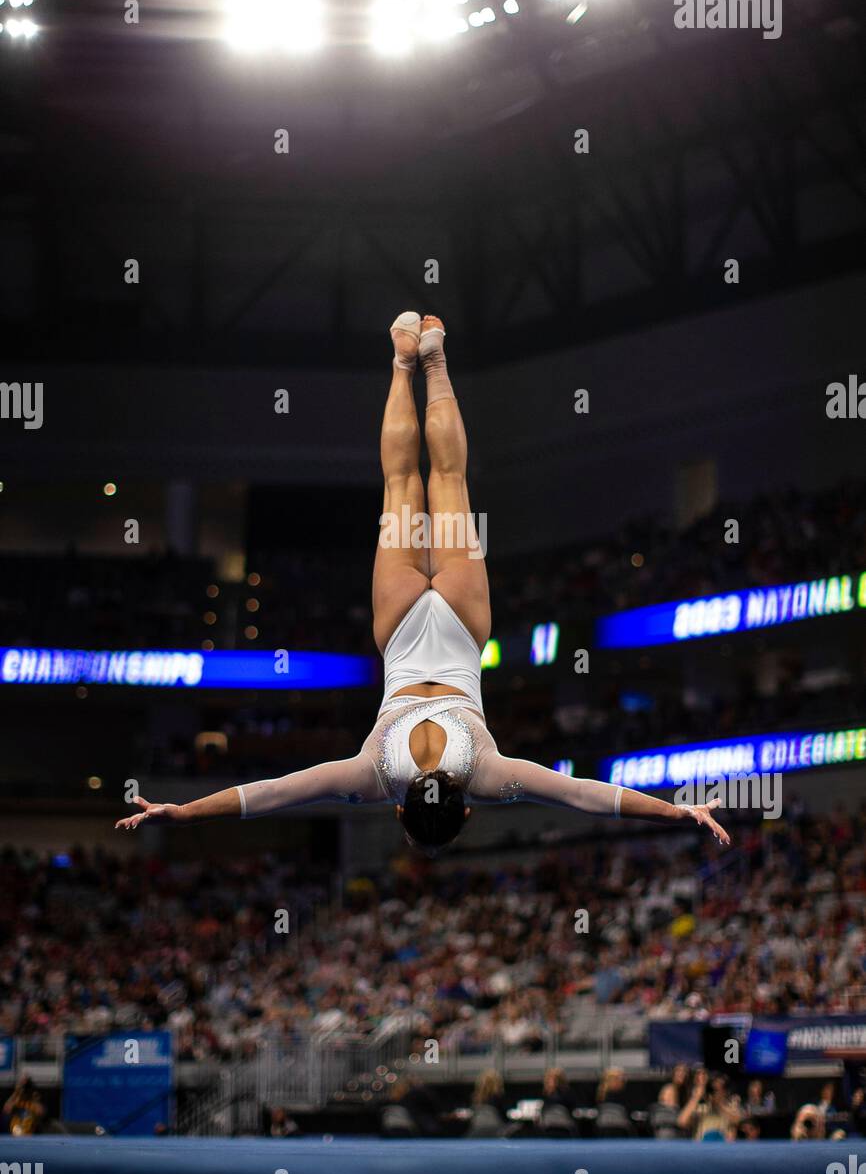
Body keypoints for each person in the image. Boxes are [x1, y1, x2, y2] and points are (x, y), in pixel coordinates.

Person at [116, 313, 730, 857]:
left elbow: (584, 795)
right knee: (400, 481)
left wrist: (676, 809)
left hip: (463, 624)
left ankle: (433, 358)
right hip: (402, 625)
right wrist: (183, 812)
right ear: (400, 811)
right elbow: (274, 793)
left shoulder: (488, 776)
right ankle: (401, 360)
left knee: (450, 478)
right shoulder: (373, 776)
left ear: (465, 811)